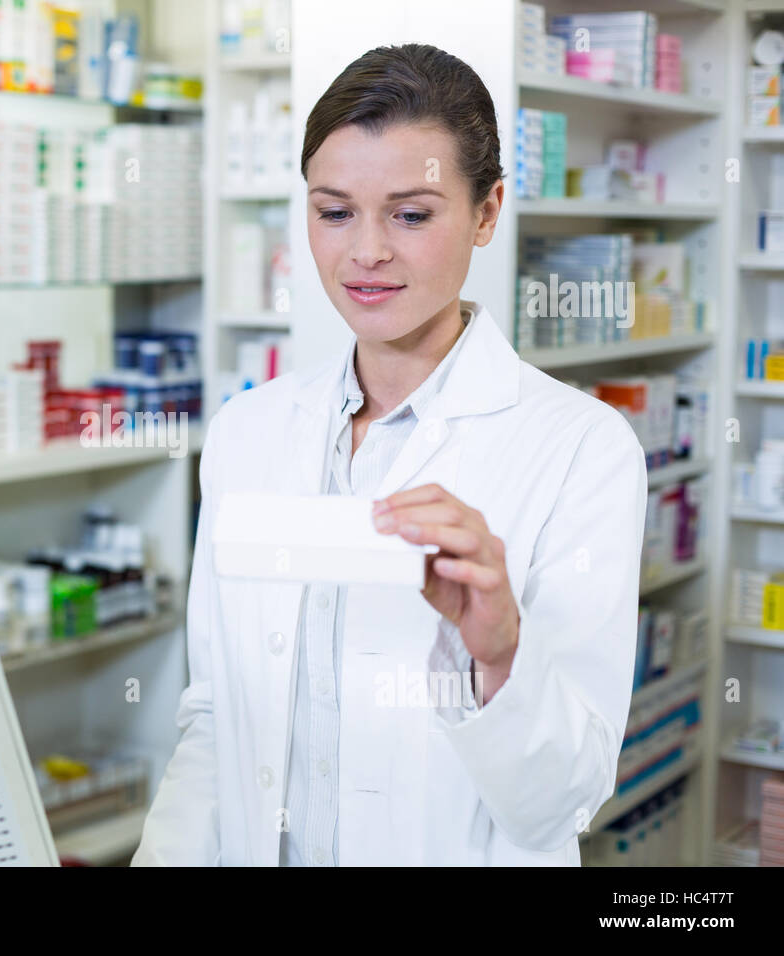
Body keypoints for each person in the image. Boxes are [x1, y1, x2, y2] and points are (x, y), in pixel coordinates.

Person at [131, 44, 647, 866]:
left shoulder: (582, 449)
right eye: (335, 212)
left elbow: (564, 800)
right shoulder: (247, 432)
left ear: (486, 213)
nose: (366, 252)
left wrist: (500, 652)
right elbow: (218, 712)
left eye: (411, 214)